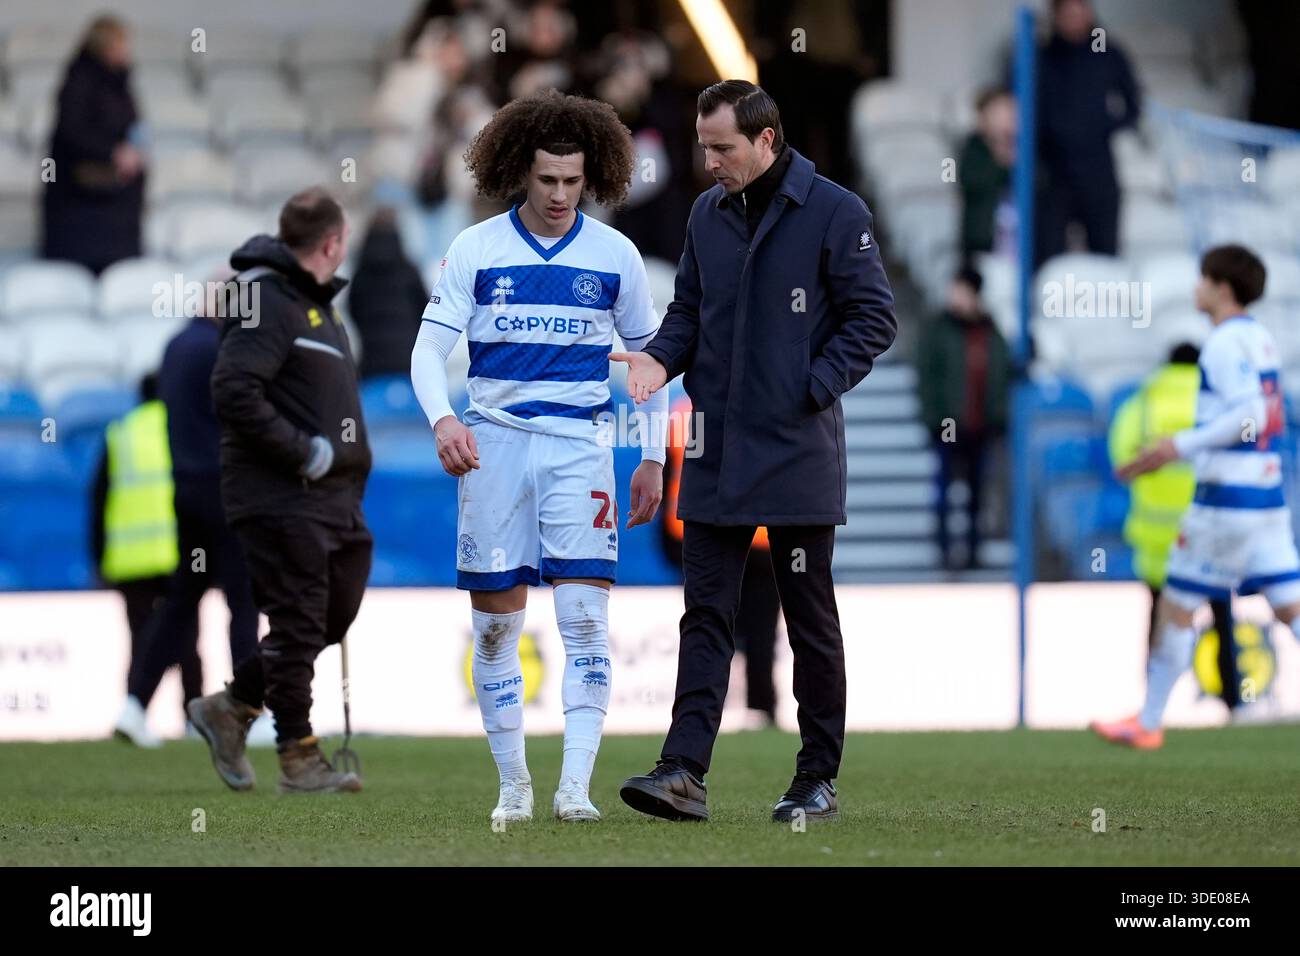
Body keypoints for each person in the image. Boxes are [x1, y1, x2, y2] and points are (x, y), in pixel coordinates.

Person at [613, 80, 897, 822]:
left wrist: (809, 387)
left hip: (798, 453)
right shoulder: (707, 214)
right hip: (712, 451)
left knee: (809, 621)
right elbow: (687, 314)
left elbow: (874, 319)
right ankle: (682, 772)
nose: (709, 161)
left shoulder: (838, 210)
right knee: (705, 614)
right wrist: (655, 362)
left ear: (766, 140)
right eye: (703, 146)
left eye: (722, 148)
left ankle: (815, 780)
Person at [411, 89, 667, 825]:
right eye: (547, 180)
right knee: (496, 628)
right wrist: (441, 420)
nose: (559, 195)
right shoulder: (478, 248)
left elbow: (648, 364)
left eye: (572, 181)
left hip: (579, 451)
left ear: (594, 177)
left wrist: (650, 457)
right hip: (491, 448)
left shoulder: (615, 256)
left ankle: (574, 787)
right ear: (521, 172)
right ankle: (513, 784)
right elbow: (429, 350)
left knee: (585, 622)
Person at [188, 187, 373, 794]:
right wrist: (305, 452)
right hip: (281, 494)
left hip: (332, 499)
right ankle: (298, 754)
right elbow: (234, 391)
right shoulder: (265, 299)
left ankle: (233, 705)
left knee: (332, 610)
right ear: (334, 243)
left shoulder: (312, 304)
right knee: (298, 619)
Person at [1093, 245, 1300, 749]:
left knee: (1177, 607)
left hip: (1224, 502)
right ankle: (1148, 719)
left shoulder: (1225, 343)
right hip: (1267, 496)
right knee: (1290, 608)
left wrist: (1178, 445)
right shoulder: (1262, 340)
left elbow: (1248, 414)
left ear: (1222, 288)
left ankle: (1147, 721)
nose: (1196, 289)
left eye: (1203, 279)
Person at [114, 286, 263, 744]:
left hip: (187, 490)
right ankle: (247, 710)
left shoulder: (176, 346)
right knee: (242, 601)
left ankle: (134, 705)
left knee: (181, 603)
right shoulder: (219, 348)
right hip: (225, 490)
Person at [1108, 344, 1242, 711]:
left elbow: (1121, 460)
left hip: (1157, 536)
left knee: (1158, 619)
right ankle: (1234, 700)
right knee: (1221, 617)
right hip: (1209, 528)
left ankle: (1150, 709)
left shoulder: (1145, 402)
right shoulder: (1216, 404)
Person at [92, 374, 199, 748]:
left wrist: (99, 557)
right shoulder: (184, 430)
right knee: (186, 639)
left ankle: (135, 714)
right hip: (177, 554)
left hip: (130, 559)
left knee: (139, 641)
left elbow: (99, 498)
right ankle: (192, 719)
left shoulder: (121, 432)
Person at [661, 396, 779, 726]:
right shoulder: (766, 404)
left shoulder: (683, 413)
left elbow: (670, 476)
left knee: (709, 624)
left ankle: (701, 715)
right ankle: (760, 707)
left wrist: (669, 544)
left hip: (699, 533)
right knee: (760, 629)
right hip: (760, 536)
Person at [917, 267, 1011, 570]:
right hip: (947, 425)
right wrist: (933, 419)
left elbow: (1000, 374)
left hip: (978, 426)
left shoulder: (989, 331)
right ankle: (944, 551)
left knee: (976, 493)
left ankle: (972, 552)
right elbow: (927, 377)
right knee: (944, 490)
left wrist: (997, 418)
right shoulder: (939, 329)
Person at [1034, 0, 1140, 266]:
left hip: (1098, 169)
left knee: (1105, 254)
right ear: (1056, 17)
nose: (1075, 20)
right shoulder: (1042, 56)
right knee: (1049, 255)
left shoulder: (1108, 53)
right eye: (1067, 14)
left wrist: (1106, 125)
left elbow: (1133, 102)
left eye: (1080, 13)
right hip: (1053, 171)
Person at [42, 15, 145, 274]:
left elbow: (131, 122)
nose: (125, 50)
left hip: (116, 194)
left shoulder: (119, 80)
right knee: (77, 271)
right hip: (79, 196)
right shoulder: (78, 80)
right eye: (119, 44)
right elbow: (72, 133)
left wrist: (133, 151)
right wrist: (113, 153)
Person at [347, 208, 429, 380]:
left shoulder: (360, 275)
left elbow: (353, 310)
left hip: (372, 361)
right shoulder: (409, 270)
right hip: (408, 360)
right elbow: (426, 311)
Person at [958, 89, 1016, 258]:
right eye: (996, 113)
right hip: (982, 243)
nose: (1005, 119)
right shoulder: (971, 148)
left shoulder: (1030, 148)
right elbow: (966, 179)